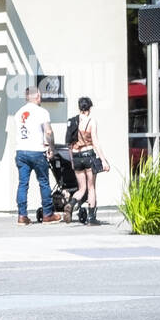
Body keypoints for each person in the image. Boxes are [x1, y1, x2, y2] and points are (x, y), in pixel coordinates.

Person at [10, 85, 61, 225]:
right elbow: (48, 132)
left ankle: (22, 216)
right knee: (44, 182)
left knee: (22, 184)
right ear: (37, 96)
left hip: (21, 151)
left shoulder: (18, 113)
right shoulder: (42, 112)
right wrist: (52, 148)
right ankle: (48, 214)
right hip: (37, 151)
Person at [65, 96, 109, 225]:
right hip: (88, 155)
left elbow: (69, 144)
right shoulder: (91, 121)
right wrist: (104, 161)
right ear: (89, 108)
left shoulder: (73, 121)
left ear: (80, 107)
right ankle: (91, 218)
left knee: (81, 188)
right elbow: (95, 142)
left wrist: (72, 160)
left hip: (76, 156)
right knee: (91, 188)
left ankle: (71, 205)